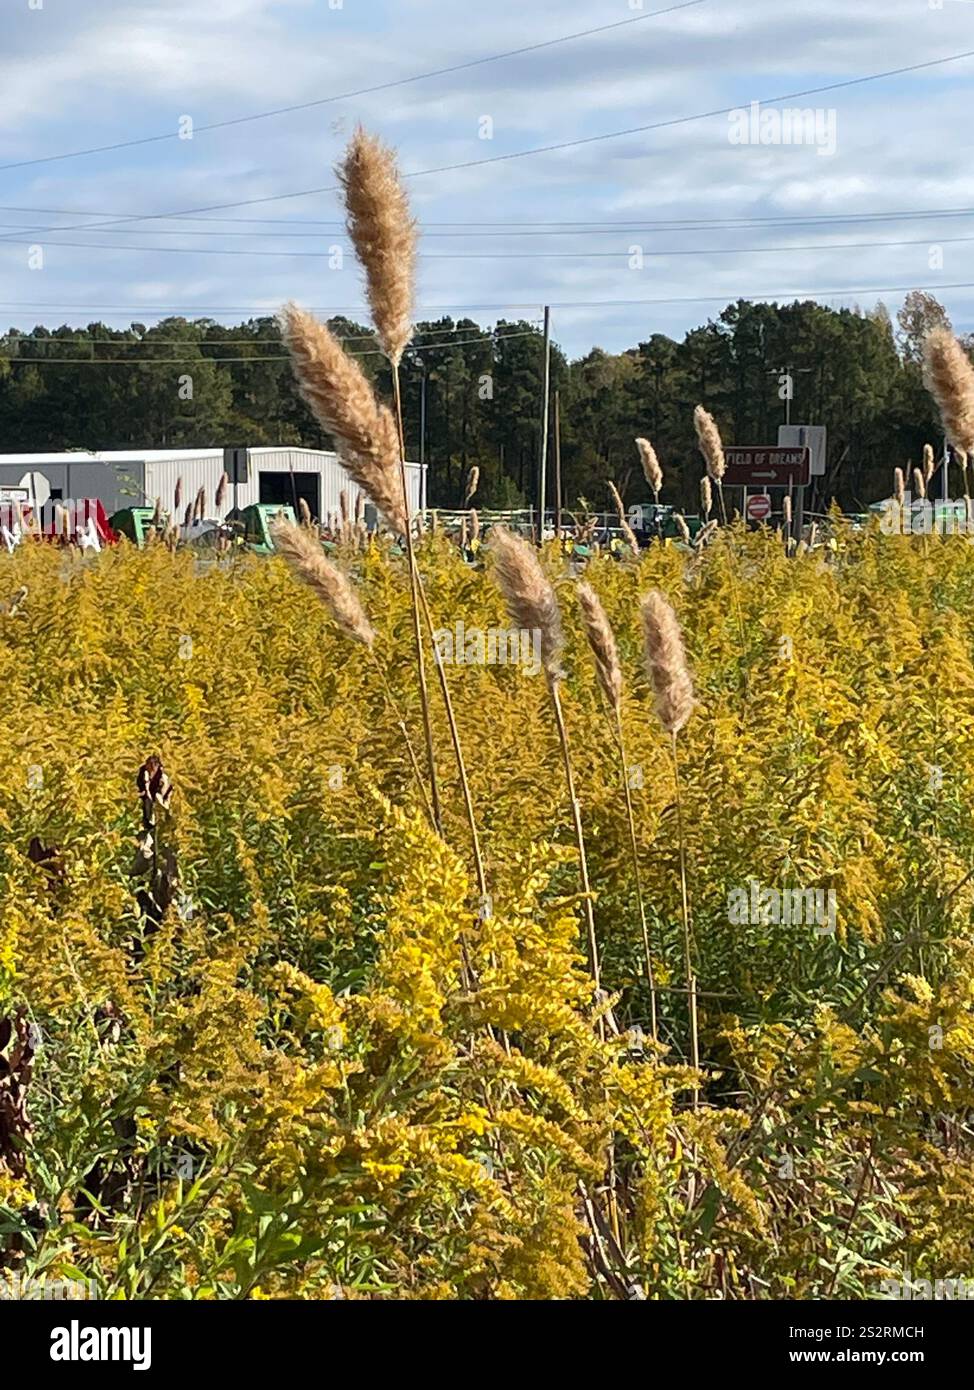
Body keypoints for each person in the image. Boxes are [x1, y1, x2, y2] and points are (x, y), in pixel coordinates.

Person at [136, 755, 173, 832]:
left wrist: (164, 797)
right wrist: (147, 794)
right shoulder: (144, 771)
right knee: (147, 802)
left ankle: (167, 813)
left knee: (158, 799)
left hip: (158, 790)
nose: (148, 767)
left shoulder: (161, 772)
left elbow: (166, 785)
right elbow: (144, 786)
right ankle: (148, 822)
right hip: (146, 790)